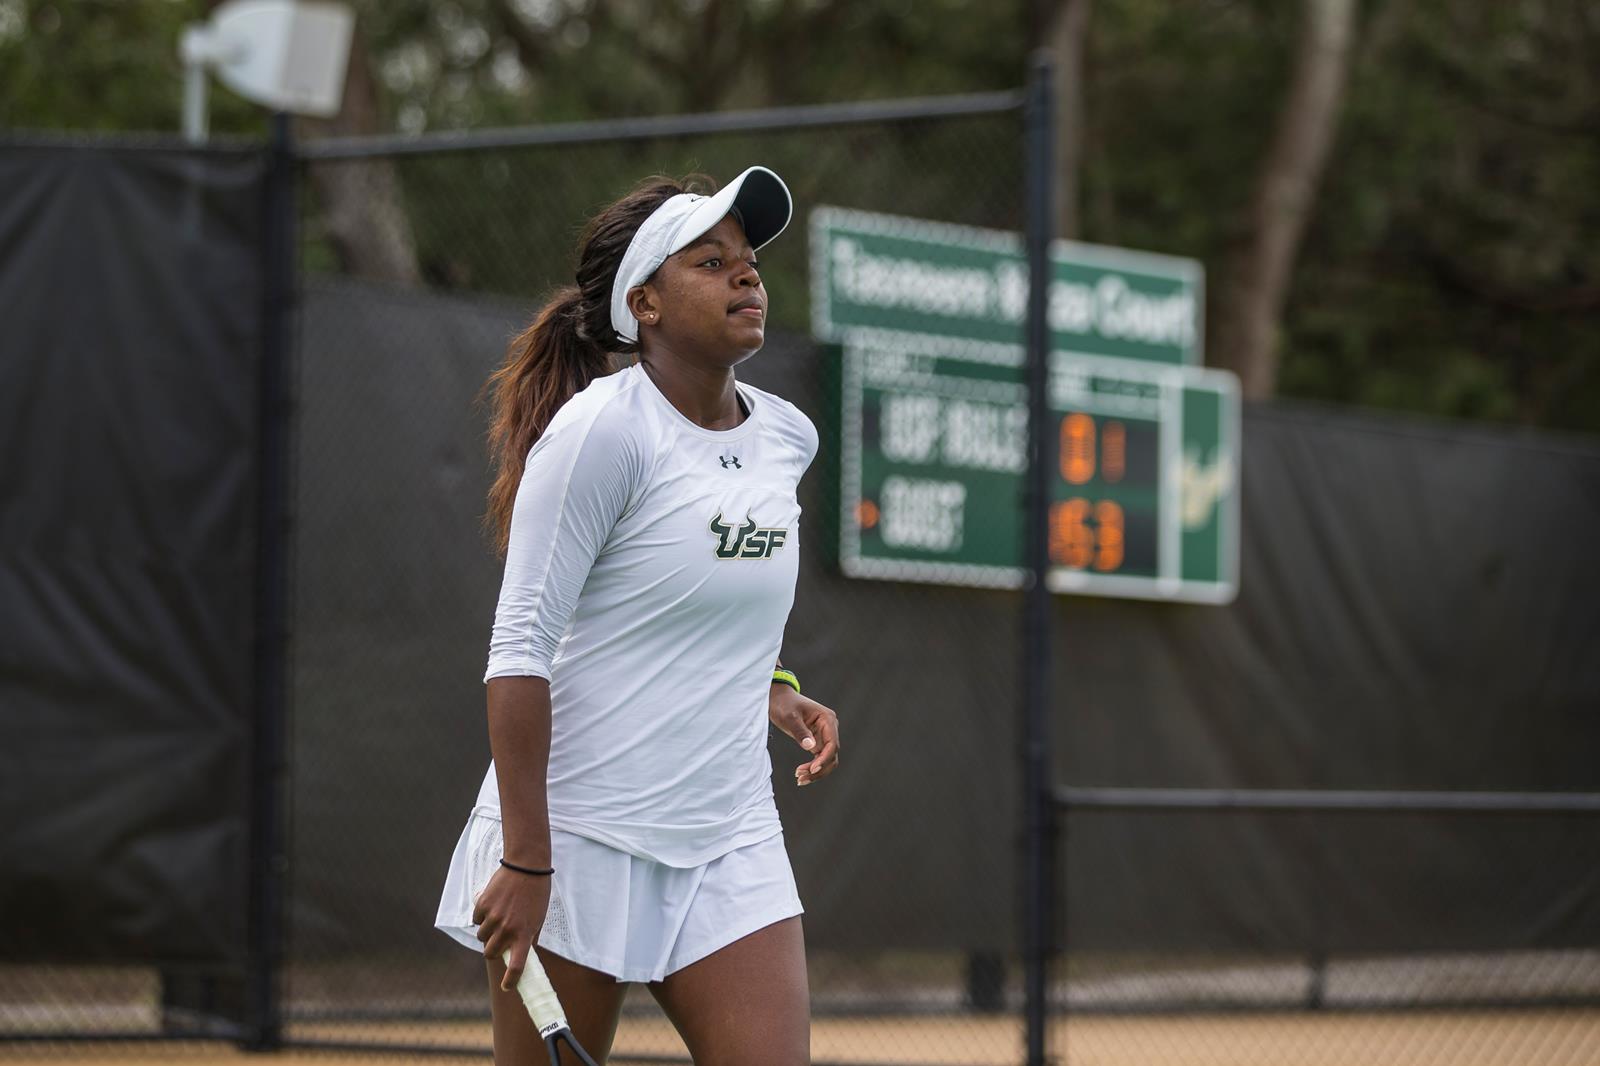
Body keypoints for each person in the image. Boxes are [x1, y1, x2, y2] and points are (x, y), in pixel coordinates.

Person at [434, 166, 841, 1066]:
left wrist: (768, 686)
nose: (746, 276)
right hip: (576, 836)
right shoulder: (599, 434)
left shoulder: (787, 437)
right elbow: (520, 652)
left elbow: (714, 589)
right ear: (645, 303)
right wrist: (529, 860)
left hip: (727, 836)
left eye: (748, 261)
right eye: (711, 261)